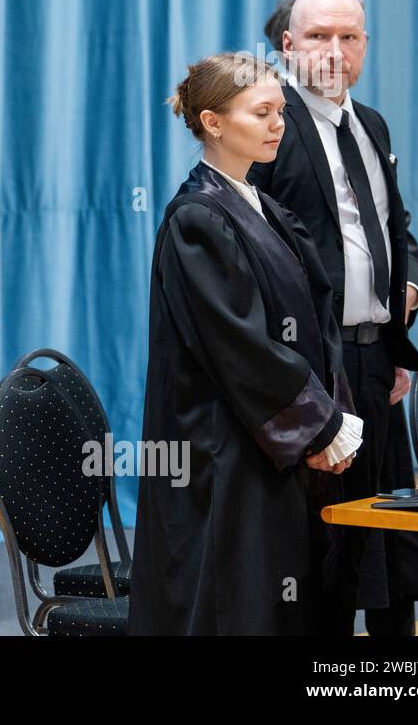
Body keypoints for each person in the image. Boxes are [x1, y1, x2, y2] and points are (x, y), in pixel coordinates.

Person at [129, 52, 358, 635]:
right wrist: (319, 428)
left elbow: (317, 319)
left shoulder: (265, 207)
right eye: (262, 113)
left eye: (280, 111)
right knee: (237, 609)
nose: (278, 123)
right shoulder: (198, 219)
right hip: (221, 450)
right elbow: (240, 346)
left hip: (266, 443)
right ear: (213, 122)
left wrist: (333, 418)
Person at [248, 0, 418, 636]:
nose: (335, 51)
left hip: (377, 361)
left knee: (391, 540)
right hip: (312, 368)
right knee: (322, 547)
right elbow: (248, 255)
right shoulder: (266, 125)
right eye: (319, 37)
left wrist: (404, 290)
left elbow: (396, 229)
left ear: (364, 46)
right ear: (289, 46)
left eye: (349, 37)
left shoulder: (372, 123)